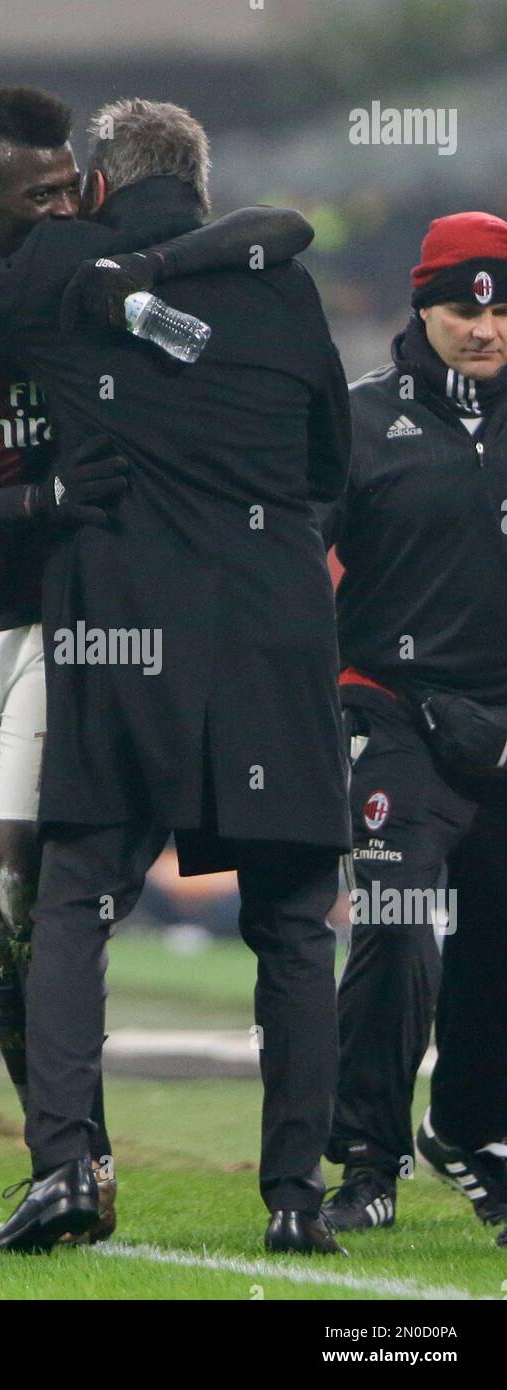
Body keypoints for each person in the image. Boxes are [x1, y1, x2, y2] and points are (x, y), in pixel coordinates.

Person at [0, 97, 352, 1255]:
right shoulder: (276, 277)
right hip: (278, 633)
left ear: (89, 183)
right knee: (292, 924)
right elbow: (330, 456)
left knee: (79, 895)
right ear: (200, 176)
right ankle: (295, 1200)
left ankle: (68, 1166)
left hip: (123, 635)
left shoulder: (65, 268)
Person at [319, 213, 507, 1249]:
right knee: (396, 927)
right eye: (461, 307)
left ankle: (471, 1130)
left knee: (498, 942)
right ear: (421, 304)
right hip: (395, 716)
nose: (484, 328)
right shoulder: (357, 420)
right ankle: (366, 1158)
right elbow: (296, 568)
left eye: (501, 306)